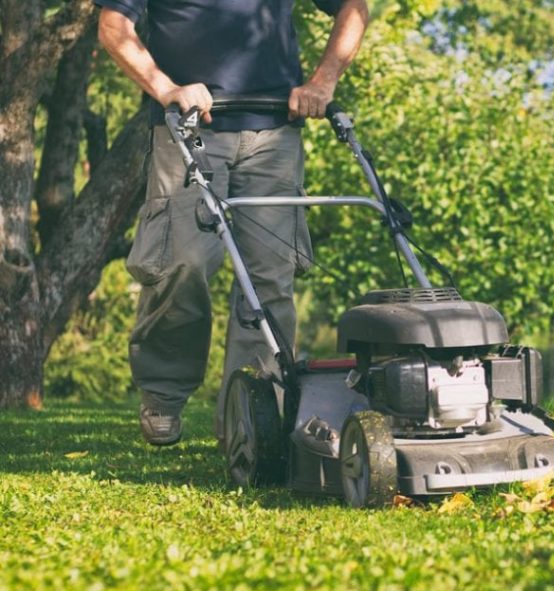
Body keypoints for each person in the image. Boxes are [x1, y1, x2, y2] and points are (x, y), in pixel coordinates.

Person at [96, 0, 369, 446]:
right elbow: (113, 27)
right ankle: (163, 393)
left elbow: (353, 9)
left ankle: (253, 421)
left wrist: (322, 82)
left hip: (274, 132)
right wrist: (167, 88)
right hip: (188, 127)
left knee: (269, 279)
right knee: (181, 263)